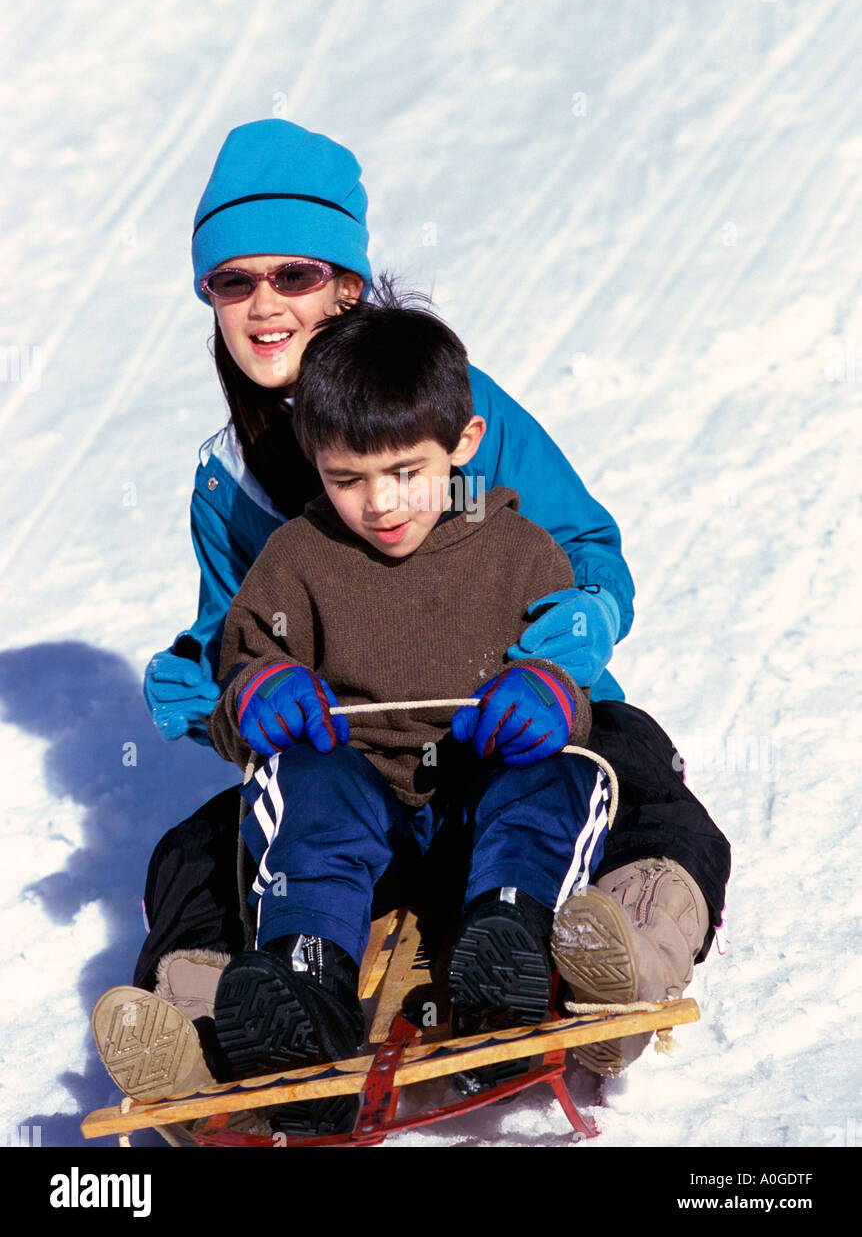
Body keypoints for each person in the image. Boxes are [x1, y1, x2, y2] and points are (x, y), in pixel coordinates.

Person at [92, 119, 728, 1107]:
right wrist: (249, 688)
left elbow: (590, 560)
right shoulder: (229, 484)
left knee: (634, 773)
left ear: (346, 282)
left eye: (294, 275)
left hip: (508, 735)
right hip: (359, 776)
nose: (263, 305)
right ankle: (217, 1031)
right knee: (196, 848)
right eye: (233, 281)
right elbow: (232, 639)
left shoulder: (447, 410)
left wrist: (554, 665)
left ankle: (608, 963)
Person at [206, 301, 614, 1131]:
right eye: (345, 479)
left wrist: (549, 697)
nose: (380, 504)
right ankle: (304, 983)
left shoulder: (519, 551)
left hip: (482, 812)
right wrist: (258, 694)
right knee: (304, 786)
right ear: (314, 462)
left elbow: (577, 686)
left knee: (561, 775)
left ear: (463, 444)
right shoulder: (296, 563)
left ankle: (510, 945)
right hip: (369, 832)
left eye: (404, 473)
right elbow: (233, 692)